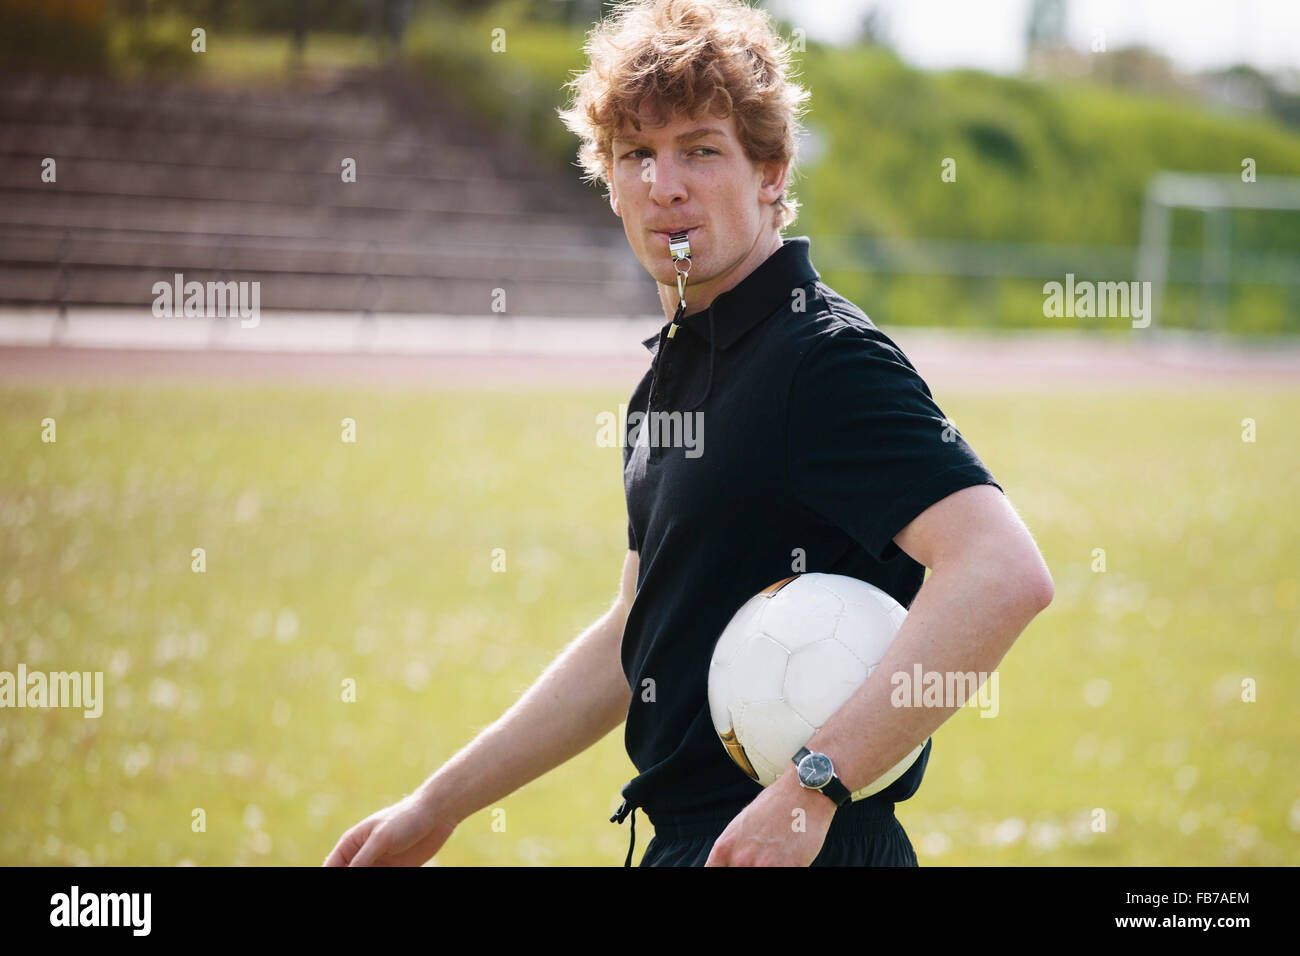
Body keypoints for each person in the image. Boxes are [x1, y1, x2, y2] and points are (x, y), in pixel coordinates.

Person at [324, 0, 1054, 869]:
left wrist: (811, 787)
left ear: (772, 173)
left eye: (701, 150)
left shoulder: (819, 359)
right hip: (696, 843)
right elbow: (634, 638)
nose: (663, 184)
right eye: (636, 154)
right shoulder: (672, 377)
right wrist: (435, 807)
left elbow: (1002, 572)